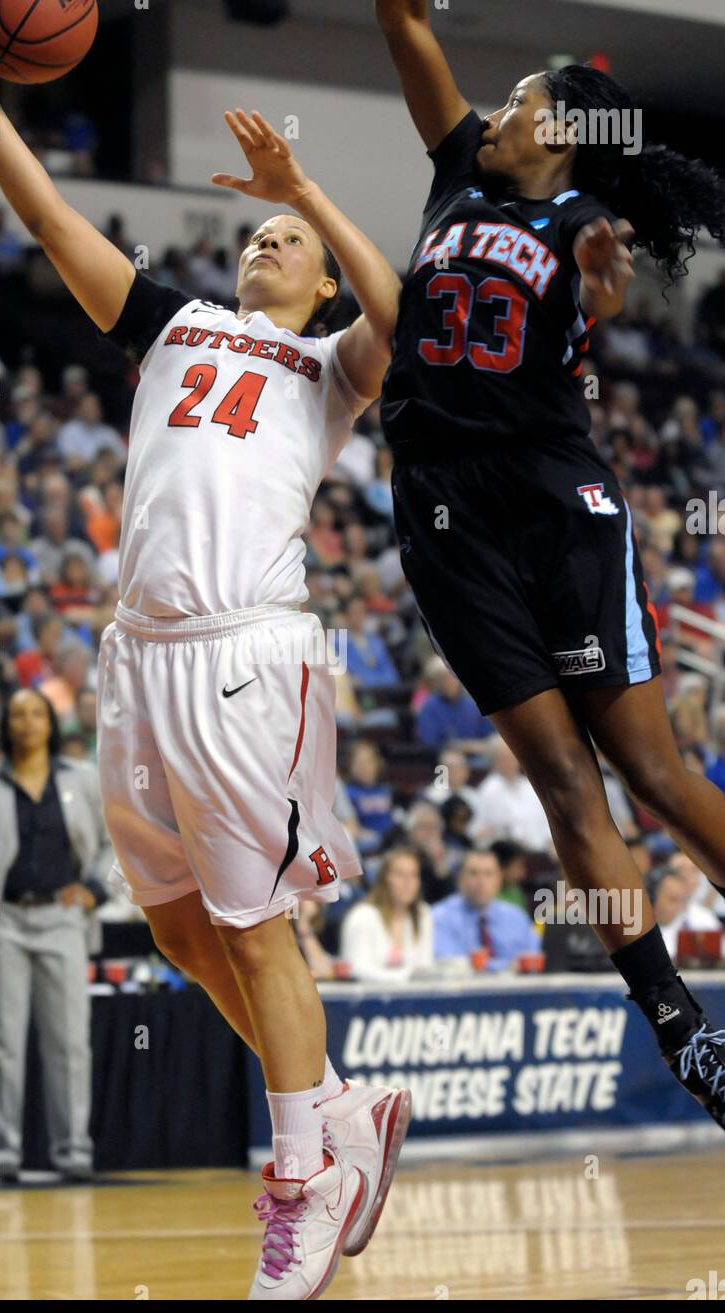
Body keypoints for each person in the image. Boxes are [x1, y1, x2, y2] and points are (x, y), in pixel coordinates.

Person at [0, 0, 408, 1300]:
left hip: (241, 658)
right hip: (135, 660)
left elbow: (405, 313)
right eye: (256, 232)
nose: (262, 243)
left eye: (286, 241)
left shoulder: (327, 362)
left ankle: (300, 1185)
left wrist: (303, 181)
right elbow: (49, 224)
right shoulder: (174, 323)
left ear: (316, 279)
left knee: (259, 931)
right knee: (170, 925)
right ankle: (339, 1111)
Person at [377, 0, 725, 1126]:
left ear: (564, 130)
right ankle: (681, 1030)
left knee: (653, 779)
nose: (501, 112)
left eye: (523, 100)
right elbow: (402, 25)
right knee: (562, 785)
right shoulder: (453, 170)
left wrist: (595, 291)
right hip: (441, 511)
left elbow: (593, 299)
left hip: (552, 508)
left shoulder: (582, 222)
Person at [0, 688, 110, 1182]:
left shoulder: (84, 781)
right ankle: (0, 1154)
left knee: (69, 1044)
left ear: (50, 724)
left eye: (37, 713)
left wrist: (96, 888)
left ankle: (73, 1153)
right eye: (17, 714)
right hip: (2, 921)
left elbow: (115, 842)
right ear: (5, 725)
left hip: (62, 918)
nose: (27, 722)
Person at [431, 849, 540, 972]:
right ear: (460, 878)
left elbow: (534, 958)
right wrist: (506, 967)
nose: (481, 882)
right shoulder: (439, 917)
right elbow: (449, 964)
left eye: (488, 874)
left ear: (499, 879)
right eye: (474, 873)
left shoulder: (517, 917)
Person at [340, 847, 434, 981]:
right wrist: (405, 975)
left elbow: (424, 965)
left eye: (414, 875)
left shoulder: (422, 914)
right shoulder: (362, 916)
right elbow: (355, 969)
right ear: (385, 879)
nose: (408, 882)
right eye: (400, 874)